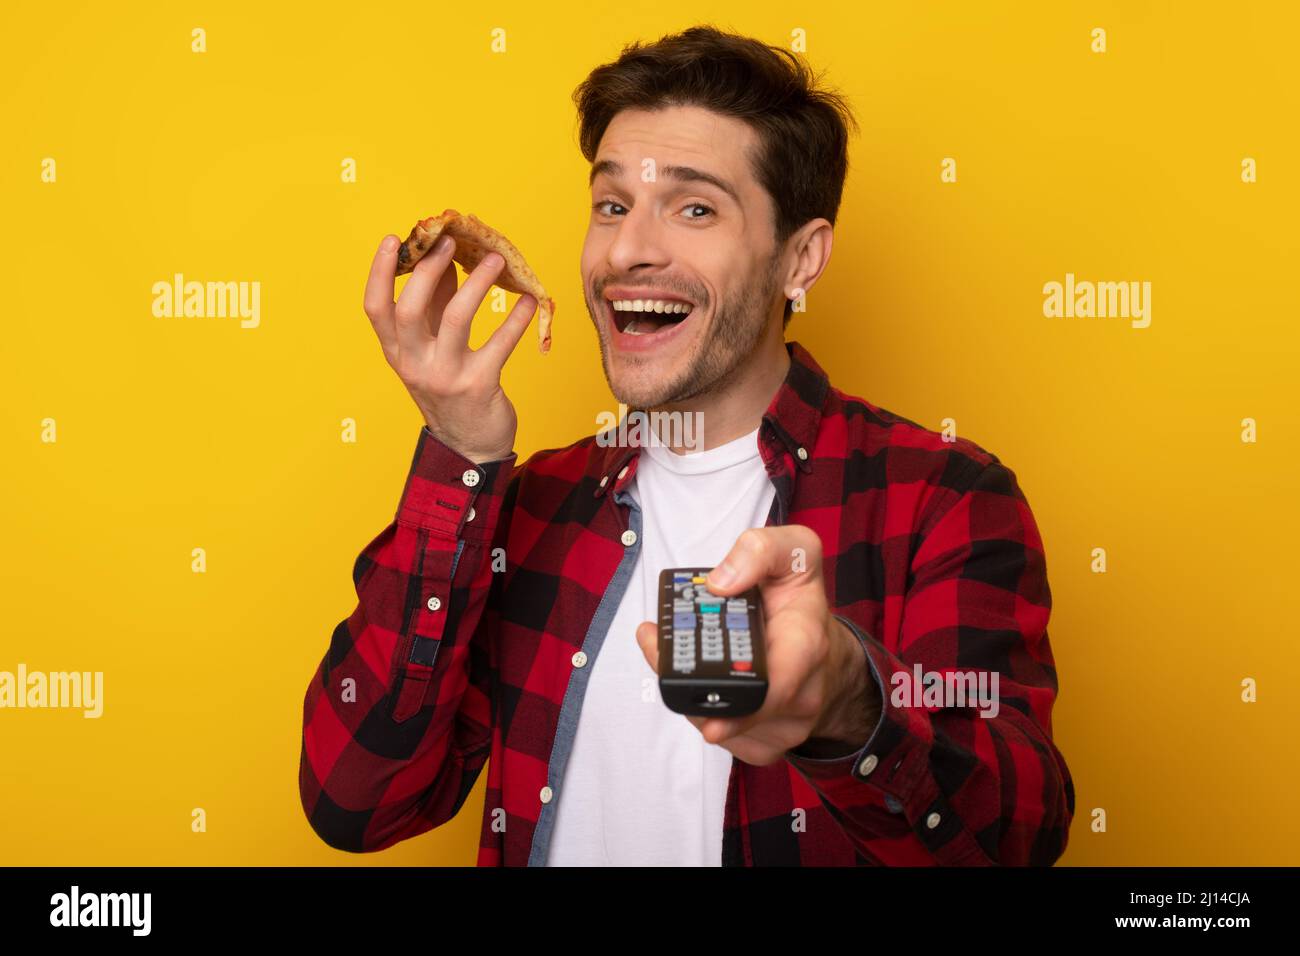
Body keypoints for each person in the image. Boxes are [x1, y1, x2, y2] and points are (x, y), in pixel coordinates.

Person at [298, 25, 1074, 866]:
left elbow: (1016, 841)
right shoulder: (533, 508)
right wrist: (460, 453)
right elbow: (356, 800)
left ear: (800, 259)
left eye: (695, 208)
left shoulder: (945, 498)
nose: (628, 251)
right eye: (612, 205)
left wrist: (851, 699)